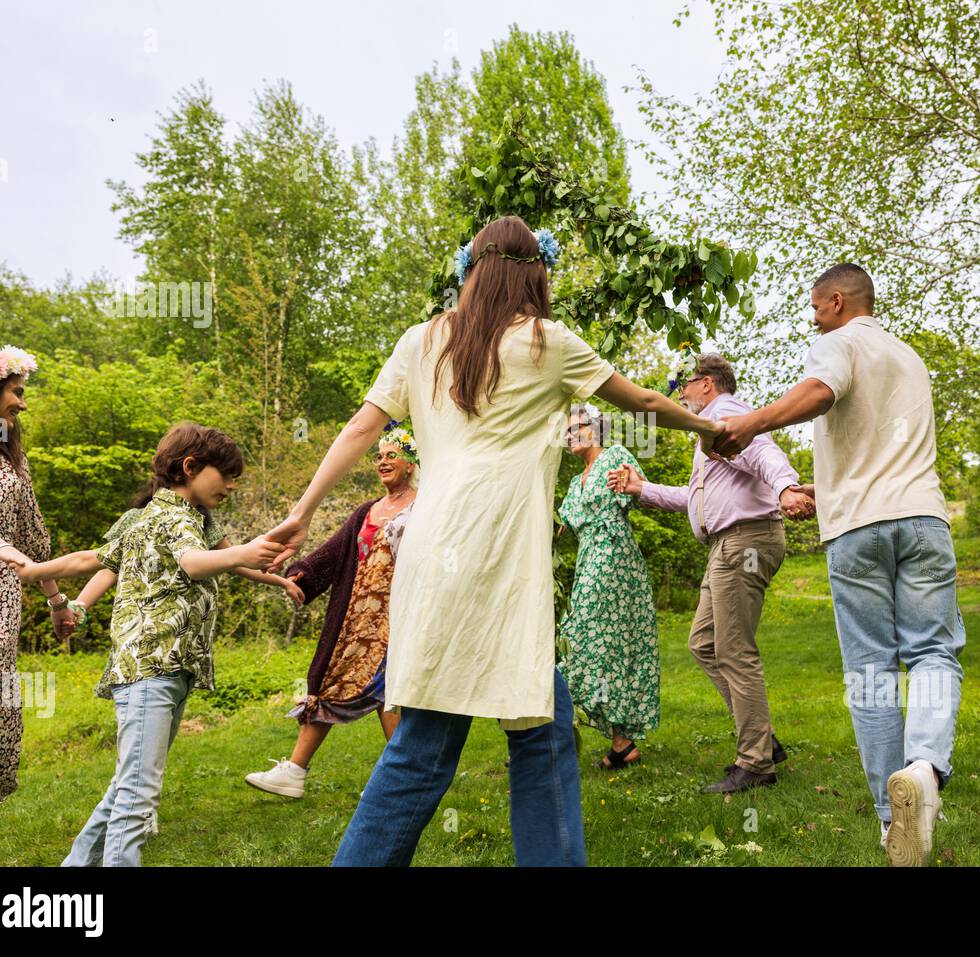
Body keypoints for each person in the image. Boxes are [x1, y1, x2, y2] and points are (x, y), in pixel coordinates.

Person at [263, 215, 724, 866]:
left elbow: (361, 427)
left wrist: (303, 507)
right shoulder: (549, 343)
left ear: (468, 270)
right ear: (537, 274)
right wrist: (709, 432)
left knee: (499, 730)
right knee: (472, 740)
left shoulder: (422, 340)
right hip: (498, 558)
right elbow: (643, 397)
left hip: (429, 557)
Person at [713, 263, 965, 866]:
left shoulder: (839, 342)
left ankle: (889, 820)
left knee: (871, 671)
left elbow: (821, 391)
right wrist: (824, 490)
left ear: (837, 299)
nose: (813, 316)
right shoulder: (910, 358)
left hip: (860, 533)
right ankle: (926, 768)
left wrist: (751, 422)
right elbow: (881, 451)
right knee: (933, 650)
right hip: (922, 520)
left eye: (816, 306)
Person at [18, 423, 284, 866]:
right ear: (191, 467)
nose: (233, 485)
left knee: (129, 784)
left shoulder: (153, 518)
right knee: (139, 795)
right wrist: (242, 552)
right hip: (151, 670)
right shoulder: (174, 517)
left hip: (166, 669)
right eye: (228, 474)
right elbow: (194, 563)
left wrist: (33, 571)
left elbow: (90, 559)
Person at [607, 353, 815, 794]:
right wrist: (641, 489)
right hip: (727, 545)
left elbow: (762, 450)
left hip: (745, 541)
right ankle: (761, 736)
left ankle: (756, 763)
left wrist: (786, 487)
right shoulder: (710, 434)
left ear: (707, 384)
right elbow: (695, 497)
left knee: (734, 650)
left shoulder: (726, 414)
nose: (681, 392)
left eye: (686, 384)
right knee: (703, 643)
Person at [245, 429, 419, 799]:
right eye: (379, 456)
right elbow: (334, 551)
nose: (383, 461)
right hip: (355, 623)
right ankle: (296, 772)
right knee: (337, 684)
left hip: (402, 620)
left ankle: (401, 777)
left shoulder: (425, 505)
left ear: (411, 462)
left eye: (392, 454)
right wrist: (300, 574)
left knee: (387, 689)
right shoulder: (366, 512)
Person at [0, 347, 73, 867]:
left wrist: (56, 599)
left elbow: (31, 532)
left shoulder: (9, 460)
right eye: (17, 392)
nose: (22, 405)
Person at [558, 403, 659, 771]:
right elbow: (563, 523)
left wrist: (633, 486)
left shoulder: (615, 454)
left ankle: (561, 735)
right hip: (589, 558)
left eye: (576, 428)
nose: (570, 435)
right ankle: (622, 743)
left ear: (596, 428)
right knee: (600, 646)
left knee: (587, 641)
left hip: (614, 556)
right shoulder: (574, 482)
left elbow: (640, 490)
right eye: (566, 430)